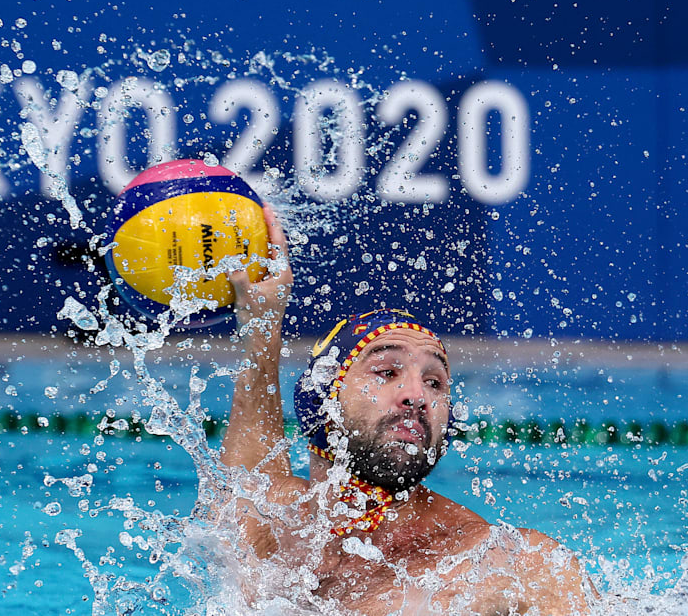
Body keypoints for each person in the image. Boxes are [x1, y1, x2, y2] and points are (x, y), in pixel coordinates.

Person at [222, 204, 593, 615]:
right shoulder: (272, 518)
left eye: (435, 382)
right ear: (322, 399)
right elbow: (249, 467)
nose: (416, 395)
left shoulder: (510, 565)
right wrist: (261, 323)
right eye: (386, 371)